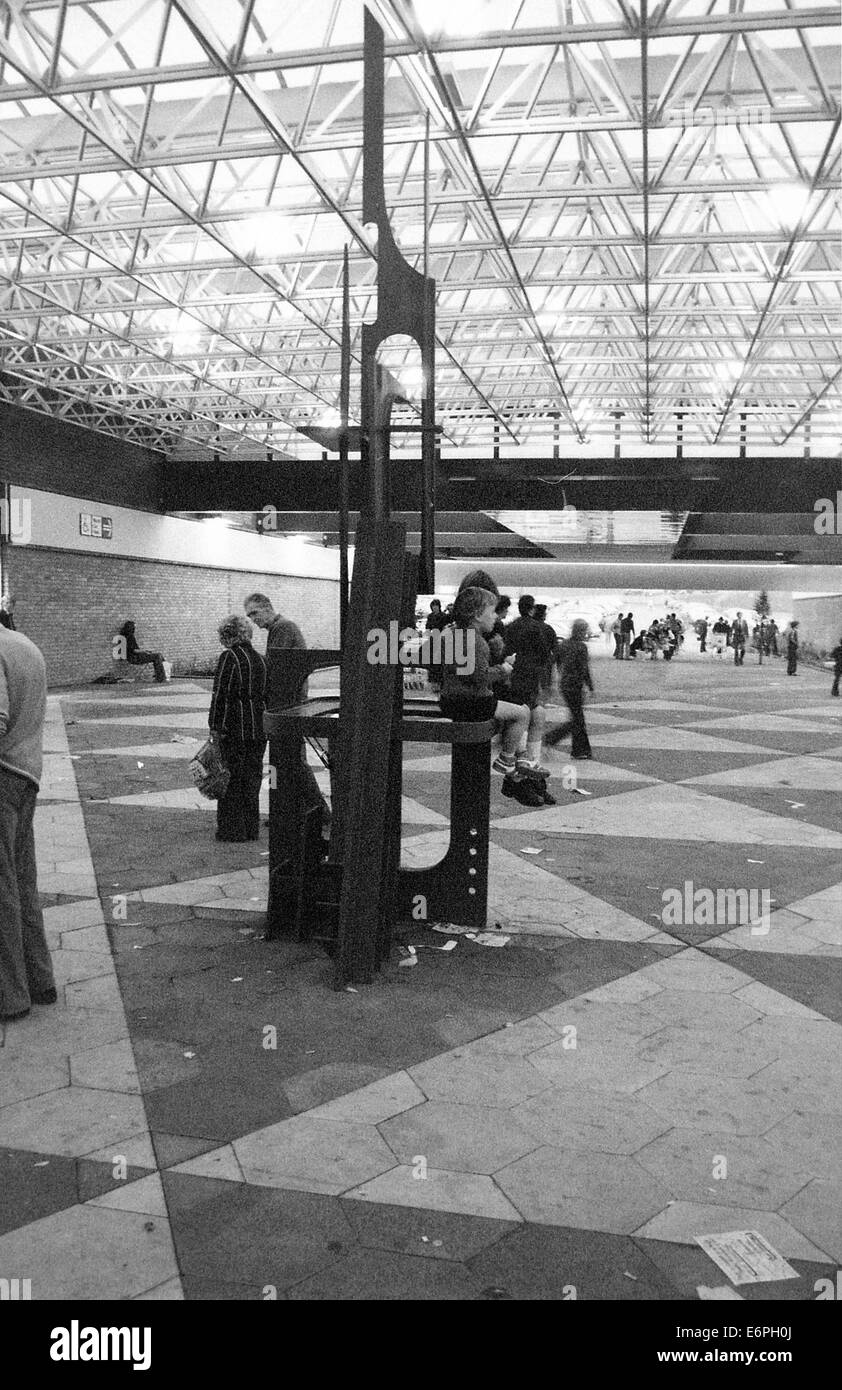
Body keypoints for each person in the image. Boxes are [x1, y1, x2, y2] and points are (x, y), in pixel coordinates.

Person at [0, 623, 56, 1022]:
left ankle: (11, 997)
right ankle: (41, 980)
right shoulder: (26, 645)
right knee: (23, 880)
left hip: (2, 773)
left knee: (2, 890)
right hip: (27, 775)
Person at [244, 592, 330, 835]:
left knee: (292, 761)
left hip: (287, 704)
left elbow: (276, 667)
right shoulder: (280, 628)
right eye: (249, 616)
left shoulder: (283, 628)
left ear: (268, 608)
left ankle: (317, 810)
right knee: (284, 762)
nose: (253, 620)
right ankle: (291, 810)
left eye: (255, 613)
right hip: (287, 702)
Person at [438, 586, 530, 780]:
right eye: (492, 611)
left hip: (450, 700)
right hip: (472, 702)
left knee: (512, 710)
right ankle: (507, 759)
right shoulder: (476, 641)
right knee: (522, 714)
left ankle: (521, 760)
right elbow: (479, 677)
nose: (496, 616)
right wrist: (504, 669)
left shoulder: (453, 635)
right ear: (478, 615)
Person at [208, 615, 268, 842]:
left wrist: (215, 727)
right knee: (252, 779)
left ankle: (233, 830)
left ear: (228, 635)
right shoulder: (262, 660)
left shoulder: (229, 658)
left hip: (235, 729)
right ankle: (251, 828)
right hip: (259, 729)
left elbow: (221, 695)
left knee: (231, 779)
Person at [504, 595, 555, 769]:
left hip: (514, 673)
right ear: (531, 608)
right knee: (534, 712)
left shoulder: (511, 627)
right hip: (531, 674)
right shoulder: (537, 628)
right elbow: (545, 653)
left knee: (519, 708)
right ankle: (529, 757)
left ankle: (519, 750)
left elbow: (505, 650)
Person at [545, 619, 594, 759]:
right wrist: (590, 687)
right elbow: (584, 669)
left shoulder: (563, 645)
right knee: (577, 719)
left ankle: (581, 750)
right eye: (585, 631)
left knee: (578, 718)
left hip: (565, 684)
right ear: (581, 631)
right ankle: (553, 739)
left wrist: (553, 678)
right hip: (575, 685)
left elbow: (552, 662)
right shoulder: (581, 647)